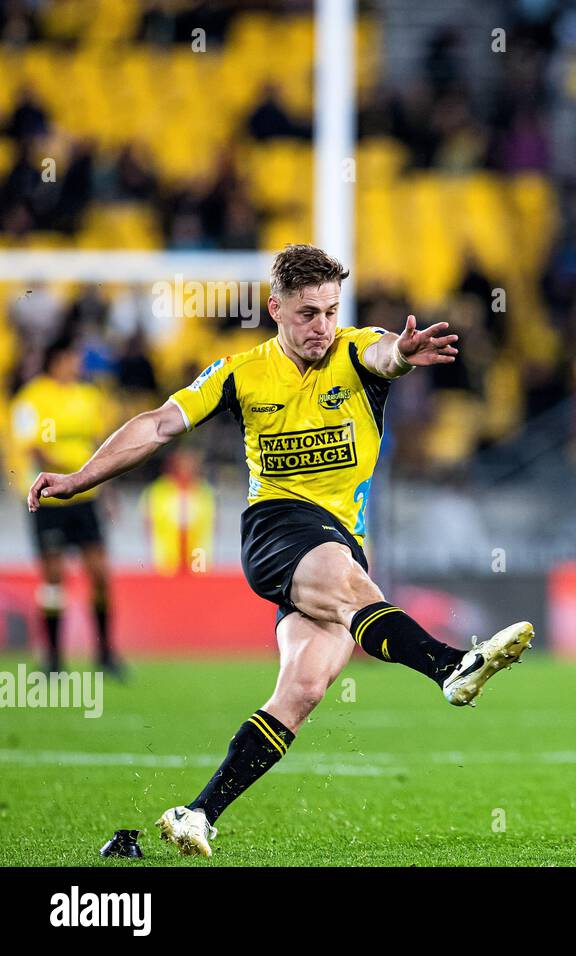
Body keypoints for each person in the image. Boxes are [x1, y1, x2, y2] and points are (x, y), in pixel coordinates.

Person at [27, 245, 534, 857]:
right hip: (276, 528)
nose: (320, 325)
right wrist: (79, 478)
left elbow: (385, 354)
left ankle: (196, 813)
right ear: (275, 309)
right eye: (306, 313)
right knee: (351, 588)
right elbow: (160, 424)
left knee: (303, 689)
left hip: (340, 540)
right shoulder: (240, 373)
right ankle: (451, 666)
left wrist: (401, 353)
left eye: (328, 310)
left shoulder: (356, 350)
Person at [11, 335, 121, 676]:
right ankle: (54, 659)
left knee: (100, 573)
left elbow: (103, 448)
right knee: (54, 577)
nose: (77, 364)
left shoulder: (89, 396)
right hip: (49, 498)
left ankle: (104, 654)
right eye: (72, 358)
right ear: (56, 360)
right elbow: (31, 447)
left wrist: (106, 489)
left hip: (85, 498)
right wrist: (66, 475)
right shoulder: (32, 399)